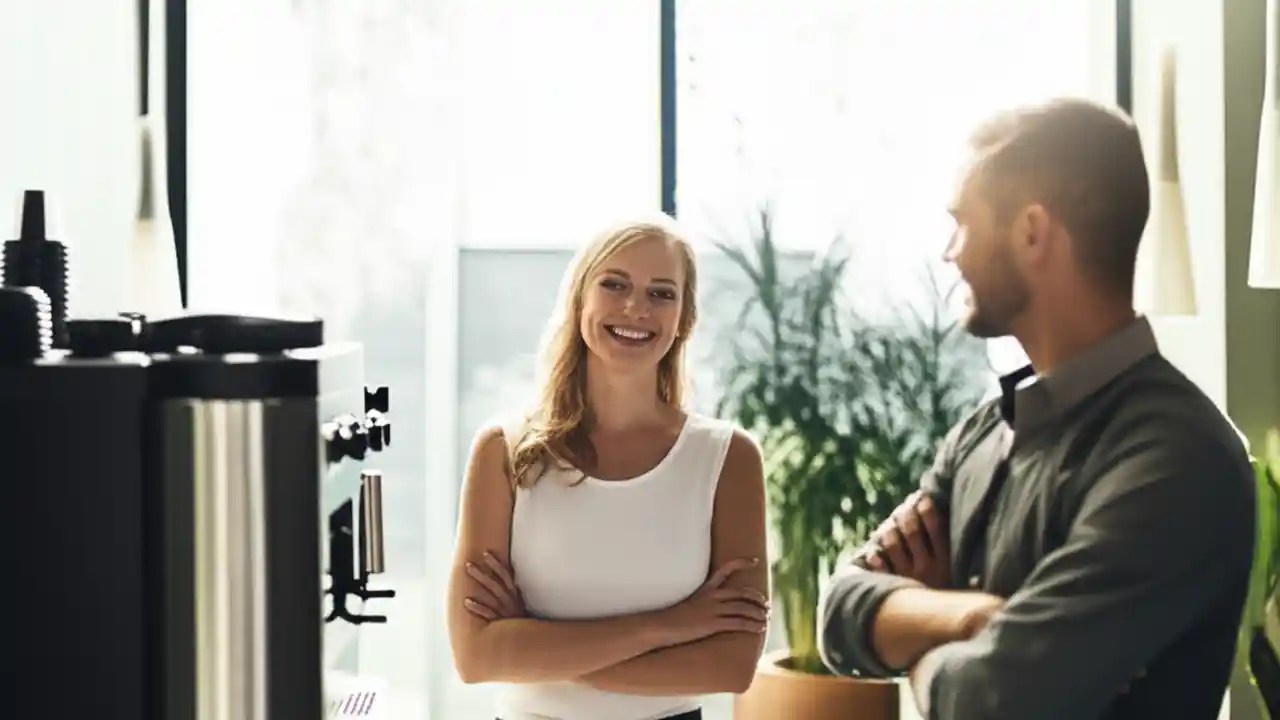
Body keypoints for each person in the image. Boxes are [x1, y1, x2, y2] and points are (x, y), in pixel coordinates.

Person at [817, 97, 1257, 719]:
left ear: (1031, 232)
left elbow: (990, 702)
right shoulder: (983, 430)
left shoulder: (1176, 459)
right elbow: (838, 611)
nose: (951, 252)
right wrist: (972, 615)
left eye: (963, 223)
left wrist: (915, 643)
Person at [446, 218, 772, 720]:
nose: (636, 308)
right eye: (614, 284)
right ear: (580, 299)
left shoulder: (729, 459)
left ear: (684, 319)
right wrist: (670, 626)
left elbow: (729, 667)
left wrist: (536, 644)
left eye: (661, 293)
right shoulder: (504, 451)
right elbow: (475, 656)